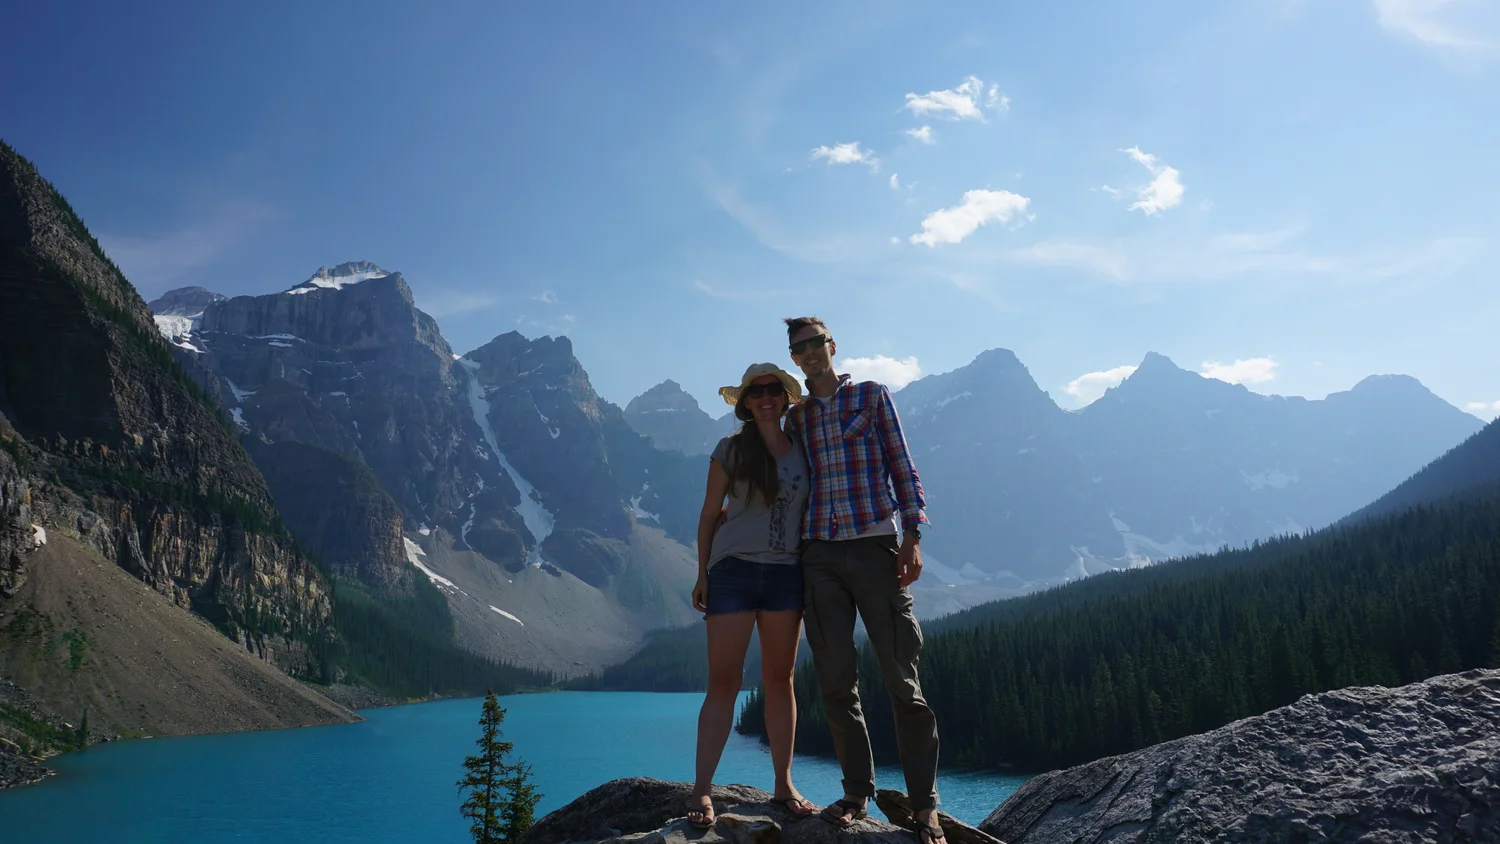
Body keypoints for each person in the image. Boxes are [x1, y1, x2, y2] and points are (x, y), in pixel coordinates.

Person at [782, 316, 946, 844]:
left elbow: (903, 466)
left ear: (832, 346)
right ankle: (856, 793)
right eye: (798, 348)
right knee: (834, 683)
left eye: (814, 343)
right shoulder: (797, 417)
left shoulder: (872, 397)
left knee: (903, 681)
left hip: (877, 548)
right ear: (794, 358)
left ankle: (925, 808)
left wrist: (913, 535)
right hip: (820, 557)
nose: (808, 353)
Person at [688, 363, 819, 827]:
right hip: (734, 572)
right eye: (756, 391)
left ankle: (783, 785)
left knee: (780, 679)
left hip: (786, 574)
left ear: (786, 398)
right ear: (744, 403)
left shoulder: (804, 449)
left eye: (774, 390)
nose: (766, 397)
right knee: (723, 684)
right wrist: (703, 573)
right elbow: (709, 515)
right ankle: (702, 791)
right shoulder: (730, 449)